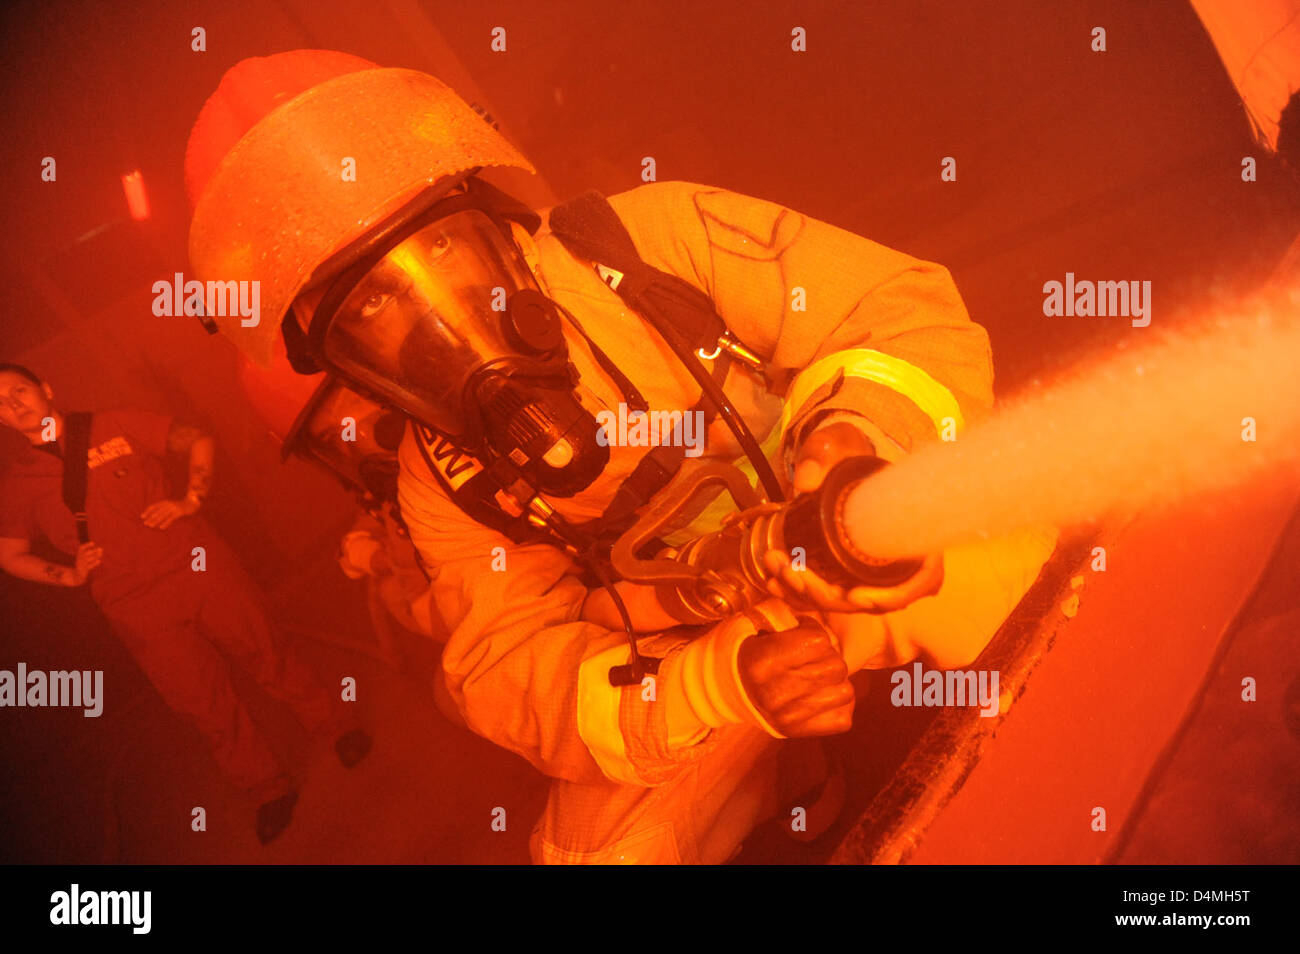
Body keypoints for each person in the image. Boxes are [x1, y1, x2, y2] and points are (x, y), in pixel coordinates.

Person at [185, 50, 1057, 863]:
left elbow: (890, 310)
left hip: (851, 536)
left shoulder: (646, 244)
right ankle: (801, 774)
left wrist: (857, 442)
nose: (436, 320)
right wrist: (719, 685)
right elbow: (506, 665)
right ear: (346, 364)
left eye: (441, 246)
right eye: (373, 303)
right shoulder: (437, 485)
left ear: (482, 210)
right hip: (708, 652)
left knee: (1040, 575)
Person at [0, 363, 371, 845]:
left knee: (266, 648)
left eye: (19, 390)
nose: (13, 404)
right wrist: (67, 575)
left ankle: (338, 727)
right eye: (1, 403)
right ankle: (268, 788)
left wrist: (191, 499)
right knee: (201, 701)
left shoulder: (113, 425)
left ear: (46, 388)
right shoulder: (19, 481)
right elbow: (8, 553)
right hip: (132, 604)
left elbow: (197, 439)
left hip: (197, 565)